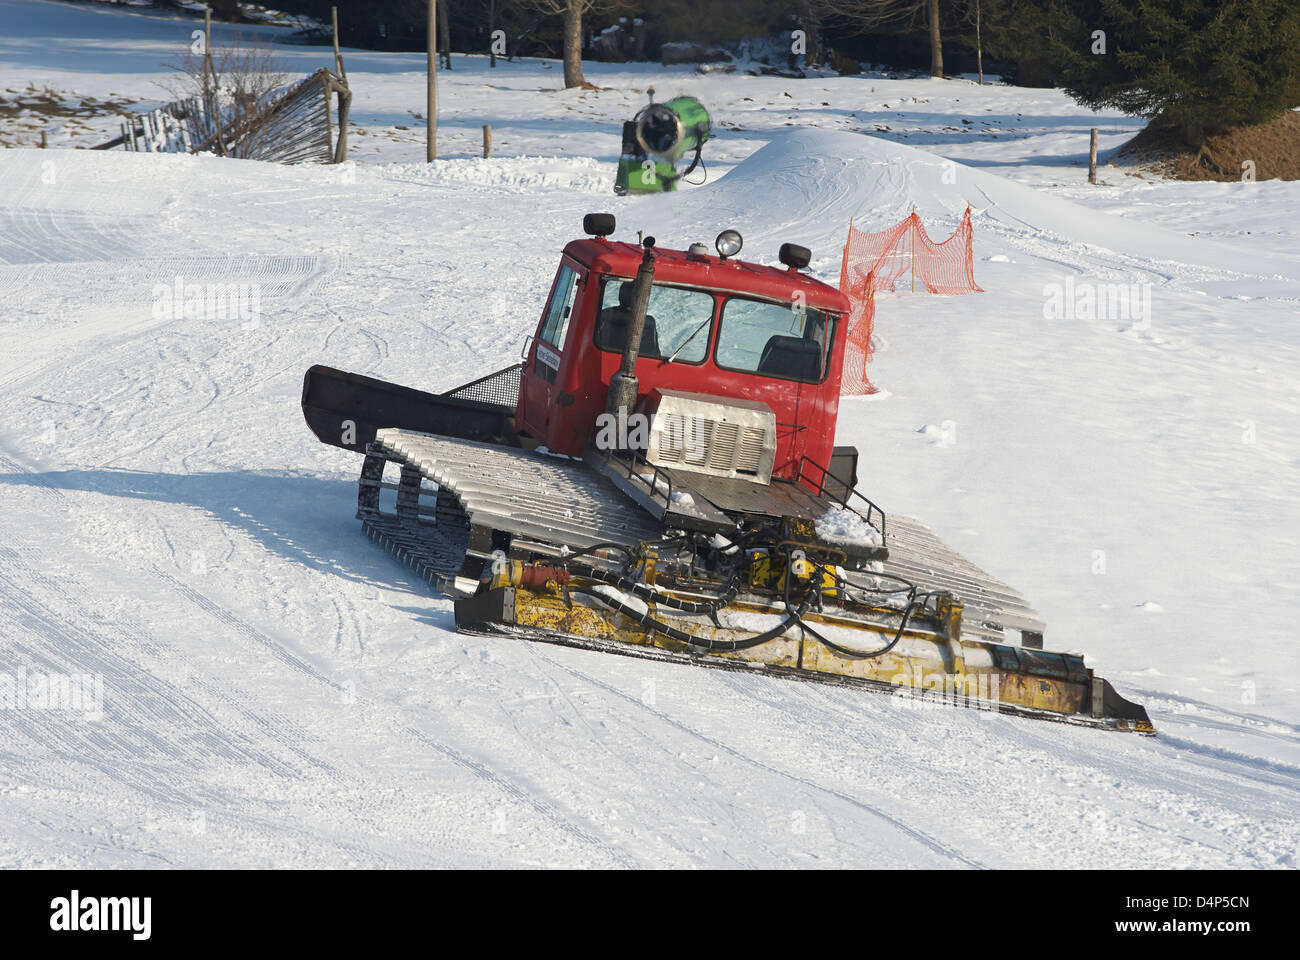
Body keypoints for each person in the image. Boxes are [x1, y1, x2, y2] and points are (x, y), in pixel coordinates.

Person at [596, 282, 661, 358]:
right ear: (640, 299)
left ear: (620, 296)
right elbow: (655, 355)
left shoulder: (604, 315)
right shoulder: (648, 322)